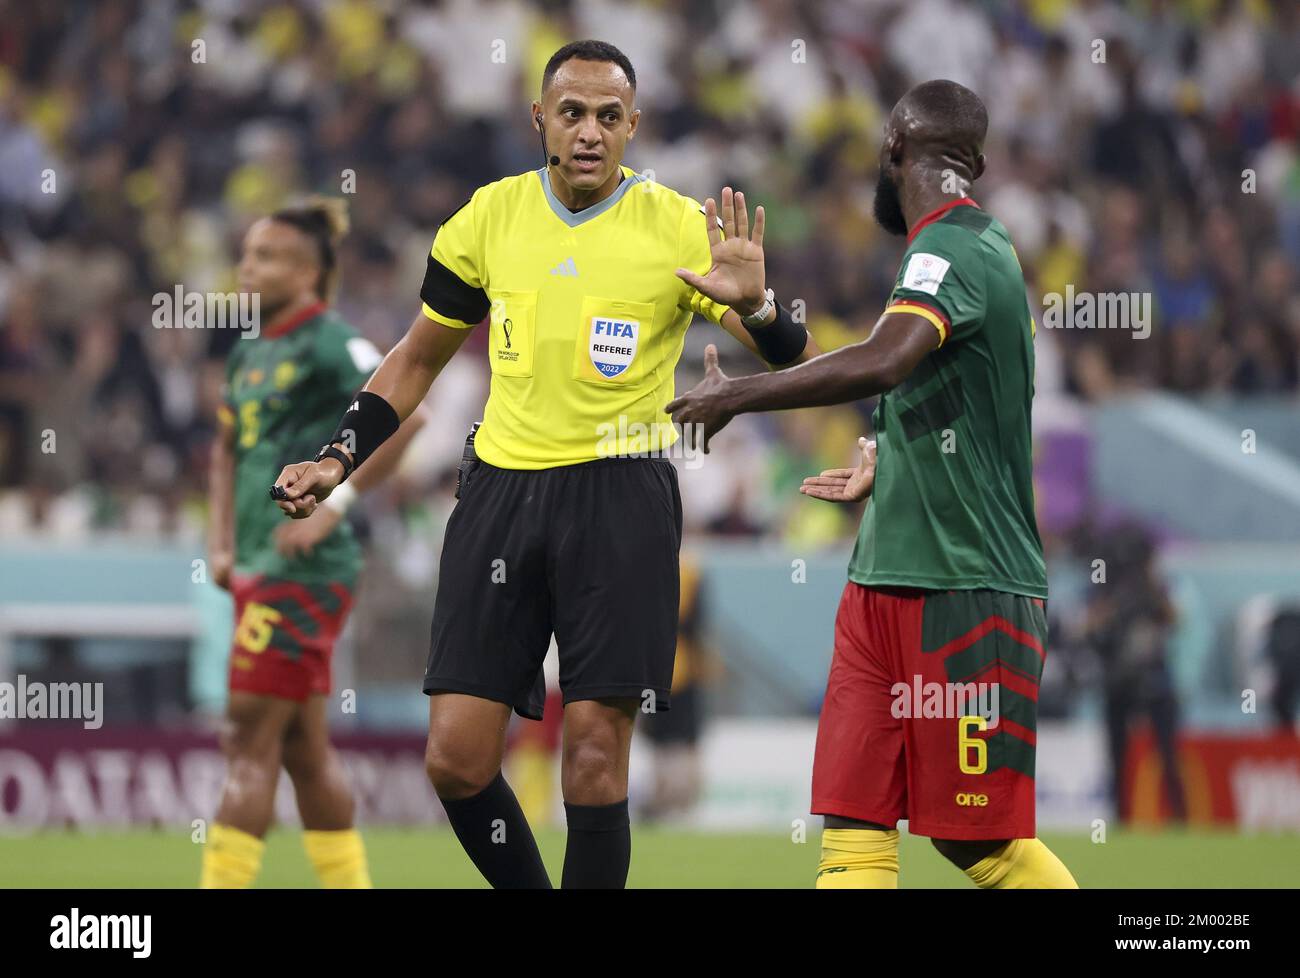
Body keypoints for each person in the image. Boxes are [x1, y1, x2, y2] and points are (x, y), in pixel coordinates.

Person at [268, 40, 819, 888]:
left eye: (609, 116)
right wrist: (340, 455)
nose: (590, 131)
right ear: (540, 120)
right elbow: (416, 360)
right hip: (500, 493)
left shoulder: (678, 225)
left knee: (594, 760)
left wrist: (762, 303)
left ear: (633, 126)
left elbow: (787, 352)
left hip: (622, 496)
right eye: (572, 113)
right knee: (455, 759)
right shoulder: (488, 217)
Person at [668, 80, 1078, 888]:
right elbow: (960, 395)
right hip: (881, 580)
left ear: (893, 148)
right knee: (854, 830)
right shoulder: (962, 256)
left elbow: (887, 358)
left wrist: (738, 394)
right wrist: (891, 464)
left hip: (967, 589)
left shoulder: (956, 248)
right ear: (977, 162)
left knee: (977, 842)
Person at [202, 199, 426, 888]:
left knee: (246, 734)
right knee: (301, 747)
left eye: (265, 257)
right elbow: (225, 449)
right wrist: (221, 543)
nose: (247, 268)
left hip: (304, 570)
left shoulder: (331, 341)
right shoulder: (248, 349)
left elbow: (405, 421)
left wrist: (337, 507)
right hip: (257, 565)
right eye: (245, 253)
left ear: (307, 273)